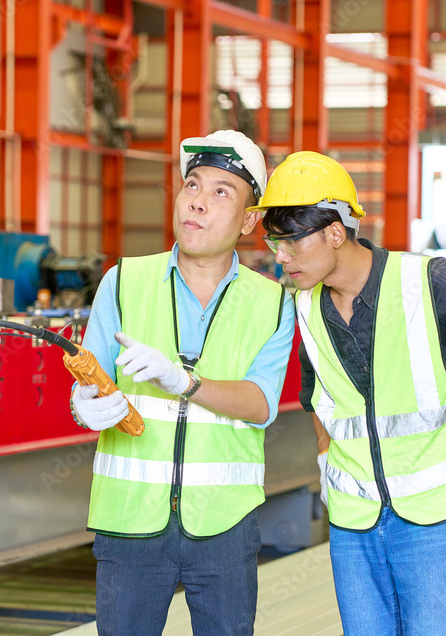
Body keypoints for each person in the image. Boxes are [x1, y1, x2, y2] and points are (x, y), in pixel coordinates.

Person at [252, 151, 446, 635]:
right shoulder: (306, 306)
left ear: (335, 232)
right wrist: (325, 456)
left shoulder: (431, 282)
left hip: (431, 523)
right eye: (275, 243)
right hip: (352, 526)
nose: (281, 256)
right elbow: (318, 394)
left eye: (290, 243)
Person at [70, 130, 295, 635]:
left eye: (221, 192)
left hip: (225, 524)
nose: (197, 201)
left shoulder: (273, 303)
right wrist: (84, 404)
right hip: (129, 522)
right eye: (191, 184)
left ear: (249, 221)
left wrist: (184, 381)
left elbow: (260, 403)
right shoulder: (123, 281)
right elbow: (91, 377)